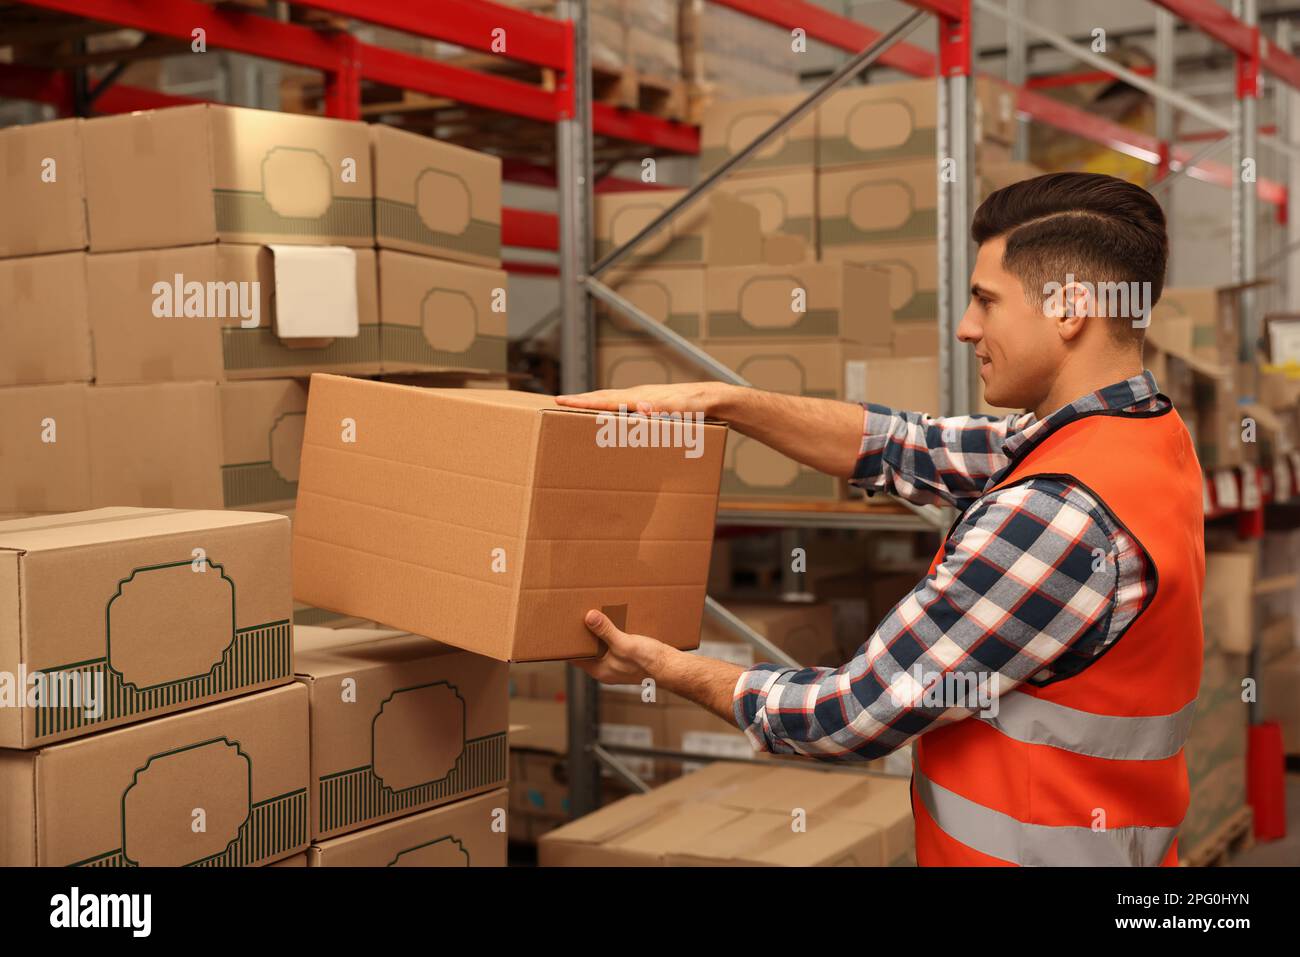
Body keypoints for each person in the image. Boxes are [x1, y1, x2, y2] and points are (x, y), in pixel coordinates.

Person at [555, 172, 1204, 867]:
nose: (966, 327)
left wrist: (669, 668)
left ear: (1071, 309)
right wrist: (724, 404)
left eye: (986, 301)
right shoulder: (1140, 433)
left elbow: (848, 715)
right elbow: (905, 445)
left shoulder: (1054, 516)